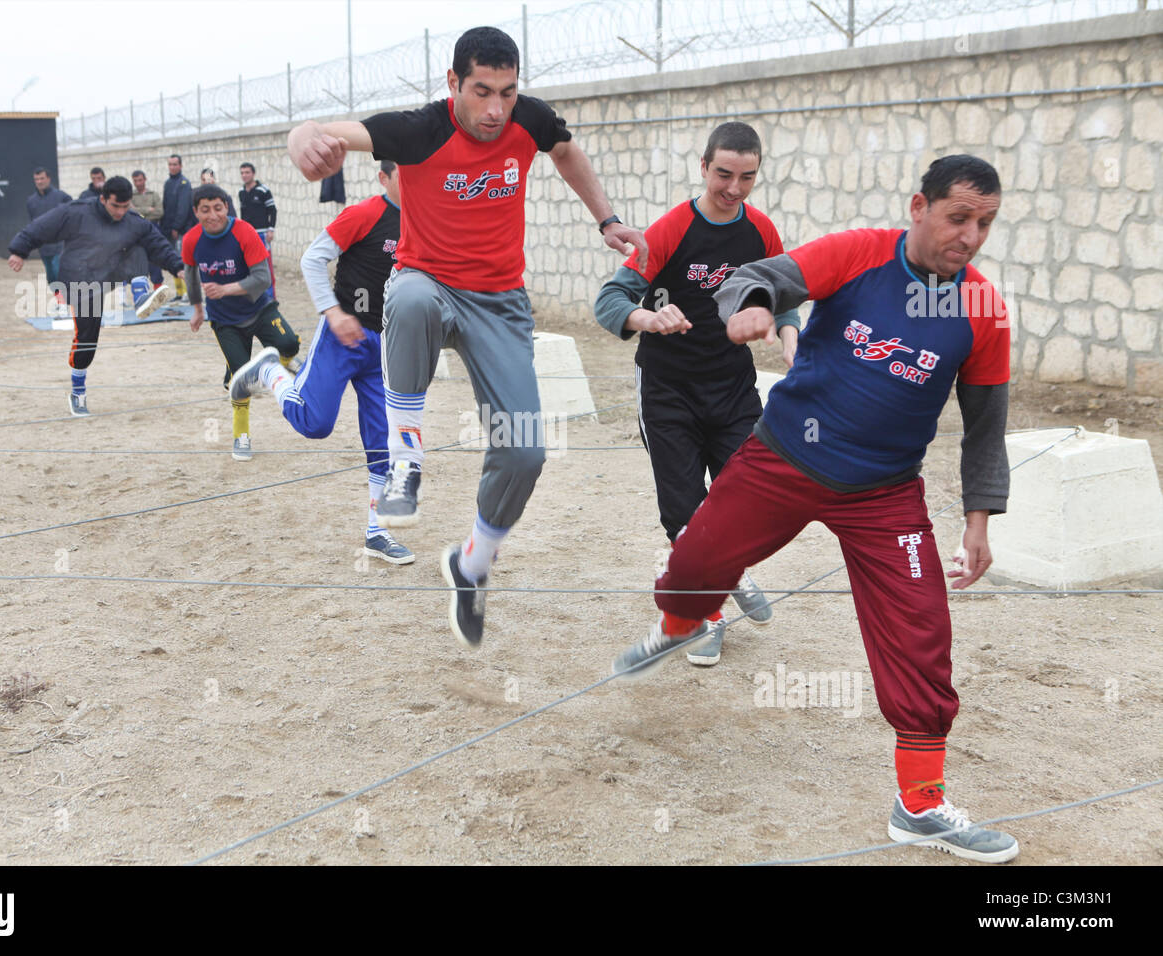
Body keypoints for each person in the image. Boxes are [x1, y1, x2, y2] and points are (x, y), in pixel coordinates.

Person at [609, 155, 1018, 864]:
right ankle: (680, 619)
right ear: (919, 206)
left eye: (985, 223)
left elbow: (986, 426)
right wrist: (752, 309)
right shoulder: (859, 254)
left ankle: (919, 804)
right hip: (785, 456)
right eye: (959, 218)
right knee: (695, 562)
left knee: (924, 633)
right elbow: (754, 276)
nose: (971, 236)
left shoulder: (982, 310)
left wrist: (978, 522)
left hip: (887, 492)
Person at [278, 25, 647, 647]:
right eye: (482, 92)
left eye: (507, 91)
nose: (496, 108)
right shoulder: (420, 129)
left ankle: (473, 564)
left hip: (500, 303)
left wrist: (606, 219)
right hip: (428, 283)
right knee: (412, 295)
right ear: (454, 83)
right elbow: (326, 131)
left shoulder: (527, 120)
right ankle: (406, 460)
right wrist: (299, 141)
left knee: (526, 449)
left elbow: (565, 151)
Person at [594, 121, 789, 667]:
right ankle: (708, 615)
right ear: (704, 167)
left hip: (733, 388)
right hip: (668, 390)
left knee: (742, 500)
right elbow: (609, 300)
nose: (734, 187)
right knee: (683, 509)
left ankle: (725, 572)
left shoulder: (761, 232)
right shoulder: (671, 230)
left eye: (747, 177)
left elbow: (787, 293)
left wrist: (791, 337)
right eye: (724, 174)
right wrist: (649, 317)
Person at [231, 162, 413, 565]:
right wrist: (332, 312)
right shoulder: (364, 215)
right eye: (405, 175)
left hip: (387, 344)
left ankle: (376, 531)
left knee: (385, 438)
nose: (416, 183)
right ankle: (270, 371)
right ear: (384, 179)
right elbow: (313, 259)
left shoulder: (428, 219)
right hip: (343, 335)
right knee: (314, 424)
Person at [7, 176, 181, 416]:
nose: (121, 211)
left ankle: (141, 296)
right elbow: (41, 227)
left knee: (139, 246)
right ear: (103, 199)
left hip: (110, 272)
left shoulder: (131, 219)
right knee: (87, 336)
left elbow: (158, 244)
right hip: (81, 278)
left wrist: (178, 266)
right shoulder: (77, 212)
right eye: (115, 206)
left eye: (125, 206)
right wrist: (19, 249)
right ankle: (78, 392)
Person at [181, 184, 301, 463]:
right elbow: (190, 275)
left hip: (259, 309)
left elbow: (262, 279)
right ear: (196, 212)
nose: (212, 215)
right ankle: (241, 435)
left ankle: (283, 362)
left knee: (289, 343)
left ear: (227, 207)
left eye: (218, 208)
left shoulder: (244, 232)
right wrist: (198, 309)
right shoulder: (191, 240)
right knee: (241, 379)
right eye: (205, 210)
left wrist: (226, 289)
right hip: (224, 321)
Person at [238, 161, 277, 299]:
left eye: (247, 172)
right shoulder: (241, 192)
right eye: (242, 173)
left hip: (262, 234)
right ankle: (258, 298)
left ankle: (270, 299)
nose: (244, 175)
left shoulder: (263, 191)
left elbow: (272, 210)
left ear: (253, 174)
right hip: (248, 235)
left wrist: (271, 230)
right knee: (250, 268)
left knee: (266, 268)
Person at [26, 167, 70, 289]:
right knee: (51, 278)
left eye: (42, 178)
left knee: (59, 273)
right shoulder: (31, 201)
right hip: (44, 246)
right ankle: (60, 301)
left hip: (60, 245)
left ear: (49, 179)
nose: (39, 182)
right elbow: (33, 224)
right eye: (36, 179)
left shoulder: (63, 197)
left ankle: (66, 301)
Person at [162, 154, 195, 298]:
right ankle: (179, 292)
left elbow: (183, 208)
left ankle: (188, 293)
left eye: (175, 164)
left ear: (180, 166)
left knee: (184, 261)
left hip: (181, 230)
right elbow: (165, 206)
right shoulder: (168, 183)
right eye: (170, 164)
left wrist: (176, 227)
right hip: (170, 231)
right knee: (173, 262)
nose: (172, 167)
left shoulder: (184, 183)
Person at [131, 170, 165, 287]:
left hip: (153, 229)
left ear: (145, 179)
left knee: (155, 262)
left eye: (140, 180)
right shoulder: (131, 196)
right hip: (137, 233)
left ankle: (158, 291)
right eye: (135, 181)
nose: (138, 183)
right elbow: (130, 213)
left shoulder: (153, 194)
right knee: (139, 264)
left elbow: (159, 212)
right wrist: (147, 210)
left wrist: (139, 210)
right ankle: (142, 295)